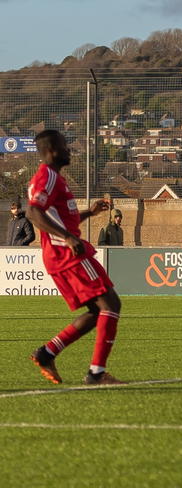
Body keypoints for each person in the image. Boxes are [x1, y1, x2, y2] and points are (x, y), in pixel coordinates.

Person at [25, 129, 125, 386]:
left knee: (97, 310)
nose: (68, 150)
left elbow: (59, 219)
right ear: (50, 151)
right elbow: (33, 212)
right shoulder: (46, 175)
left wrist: (88, 214)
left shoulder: (56, 178)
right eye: (64, 146)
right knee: (111, 304)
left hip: (63, 252)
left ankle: (46, 353)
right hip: (67, 253)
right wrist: (69, 239)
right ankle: (96, 373)